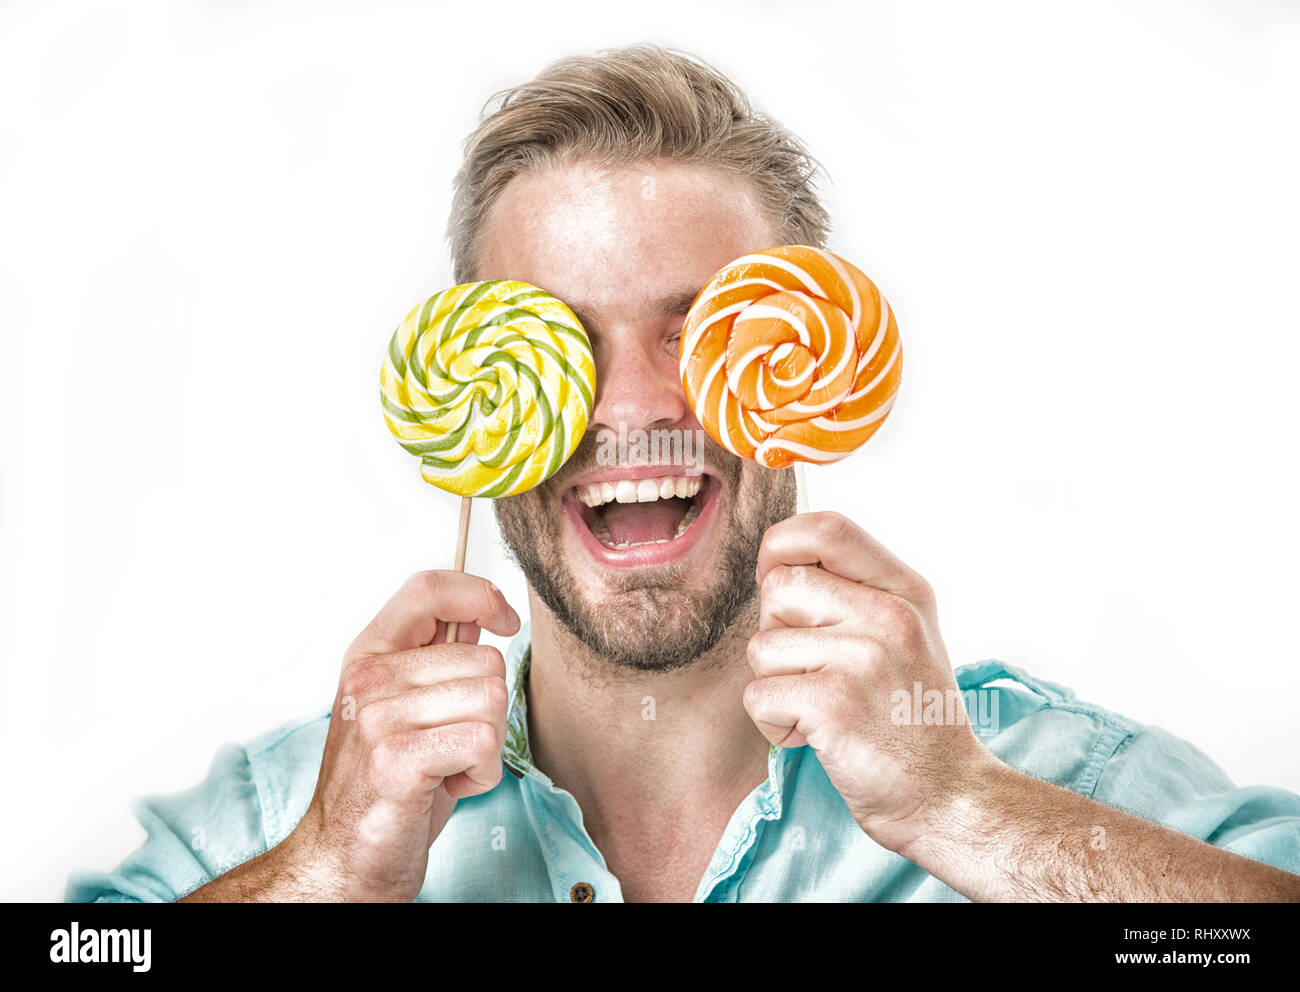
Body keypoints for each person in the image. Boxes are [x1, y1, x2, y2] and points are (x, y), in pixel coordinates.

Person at [68, 44, 1300, 903]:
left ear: (801, 346)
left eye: (698, 324)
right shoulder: (294, 813)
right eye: (562, 335)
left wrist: (962, 811)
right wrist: (327, 874)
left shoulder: (1023, 772)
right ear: (477, 383)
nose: (636, 405)